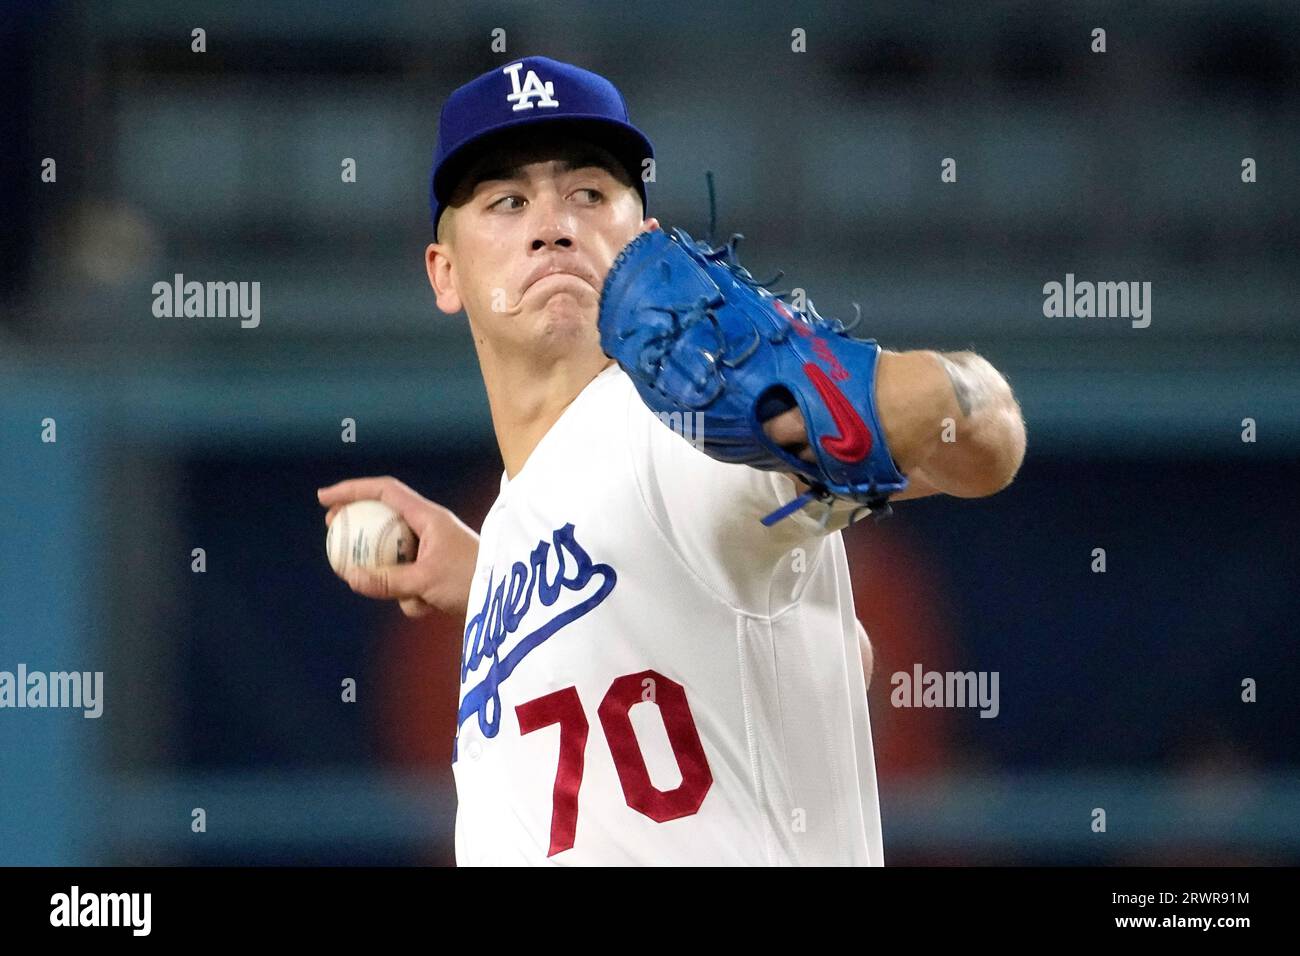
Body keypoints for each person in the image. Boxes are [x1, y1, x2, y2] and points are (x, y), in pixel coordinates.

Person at [317, 56, 1026, 865]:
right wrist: (493, 577)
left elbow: (985, 432)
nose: (553, 225)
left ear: (645, 241)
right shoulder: (524, 522)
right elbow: (779, 644)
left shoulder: (681, 430)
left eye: (588, 193)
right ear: (445, 273)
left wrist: (821, 397)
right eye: (507, 202)